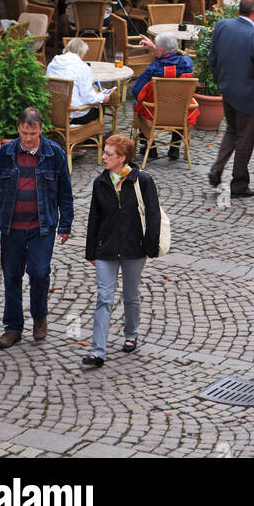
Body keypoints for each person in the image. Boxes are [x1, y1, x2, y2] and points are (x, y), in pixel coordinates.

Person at [0, 106, 73, 349]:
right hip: (12, 227)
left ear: (41, 130)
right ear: (19, 129)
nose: (28, 139)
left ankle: (40, 317)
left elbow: (65, 194)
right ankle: (13, 327)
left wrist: (65, 225)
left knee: (39, 273)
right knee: (11, 276)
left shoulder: (55, 154)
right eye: (24, 133)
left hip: (43, 226)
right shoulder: (4, 154)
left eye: (33, 134)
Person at [82, 132, 160, 368]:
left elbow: (153, 214)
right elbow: (94, 218)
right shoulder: (101, 183)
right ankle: (98, 352)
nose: (103, 157)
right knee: (103, 298)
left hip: (134, 248)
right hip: (106, 249)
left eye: (109, 154)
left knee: (130, 295)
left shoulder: (142, 181)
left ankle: (131, 333)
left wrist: (150, 247)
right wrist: (91, 252)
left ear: (122, 158)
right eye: (104, 152)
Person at [207, 0, 254, 197]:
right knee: (245, 139)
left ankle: (217, 168)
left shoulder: (222, 26)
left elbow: (213, 57)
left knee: (232, 131)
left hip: (227, 90)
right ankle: (239, 184)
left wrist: (220, 81)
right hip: (247, 97)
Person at [131, 31, 196, 161]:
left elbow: (136, 92)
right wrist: (155, 48)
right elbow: (176, 56)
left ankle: (151, 147)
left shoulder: (153, 69)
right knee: (184, 104)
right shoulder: (187, 64)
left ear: (160, 49)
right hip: (180, 113)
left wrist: (155, 49)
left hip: (155, 113)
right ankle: (175, 147)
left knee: (135, 104)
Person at [46, 38, 114, 124]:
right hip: (74, 115)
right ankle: (87, 136)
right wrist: (103, 97)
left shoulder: (52, 64)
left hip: (53, 114)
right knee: (99, 110)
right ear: (81, 53)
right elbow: (88, 98)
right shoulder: (83, 67)